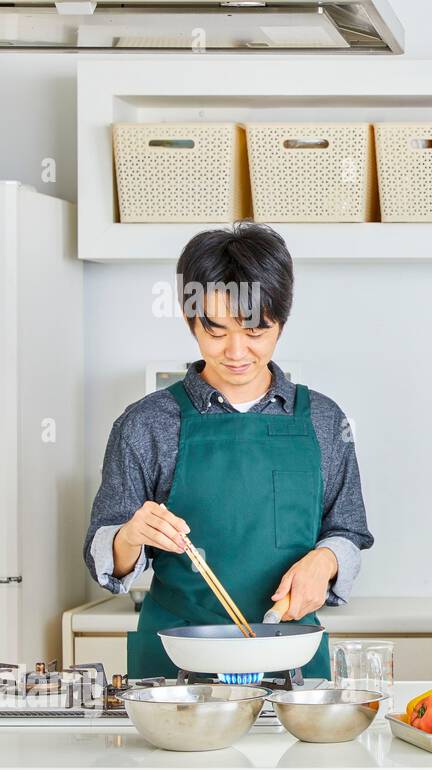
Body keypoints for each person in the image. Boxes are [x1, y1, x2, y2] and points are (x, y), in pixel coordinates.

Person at [85, 222, 373, 678]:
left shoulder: (323, 419)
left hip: (289, 653)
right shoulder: (146, 423)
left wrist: (326, 560)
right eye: (216, 331)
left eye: (255, 331)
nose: (236, 351)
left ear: (281, 321)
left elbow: (348, 530)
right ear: (190, 320)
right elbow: (105, 556)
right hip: (177, 662)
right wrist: (132, 535)